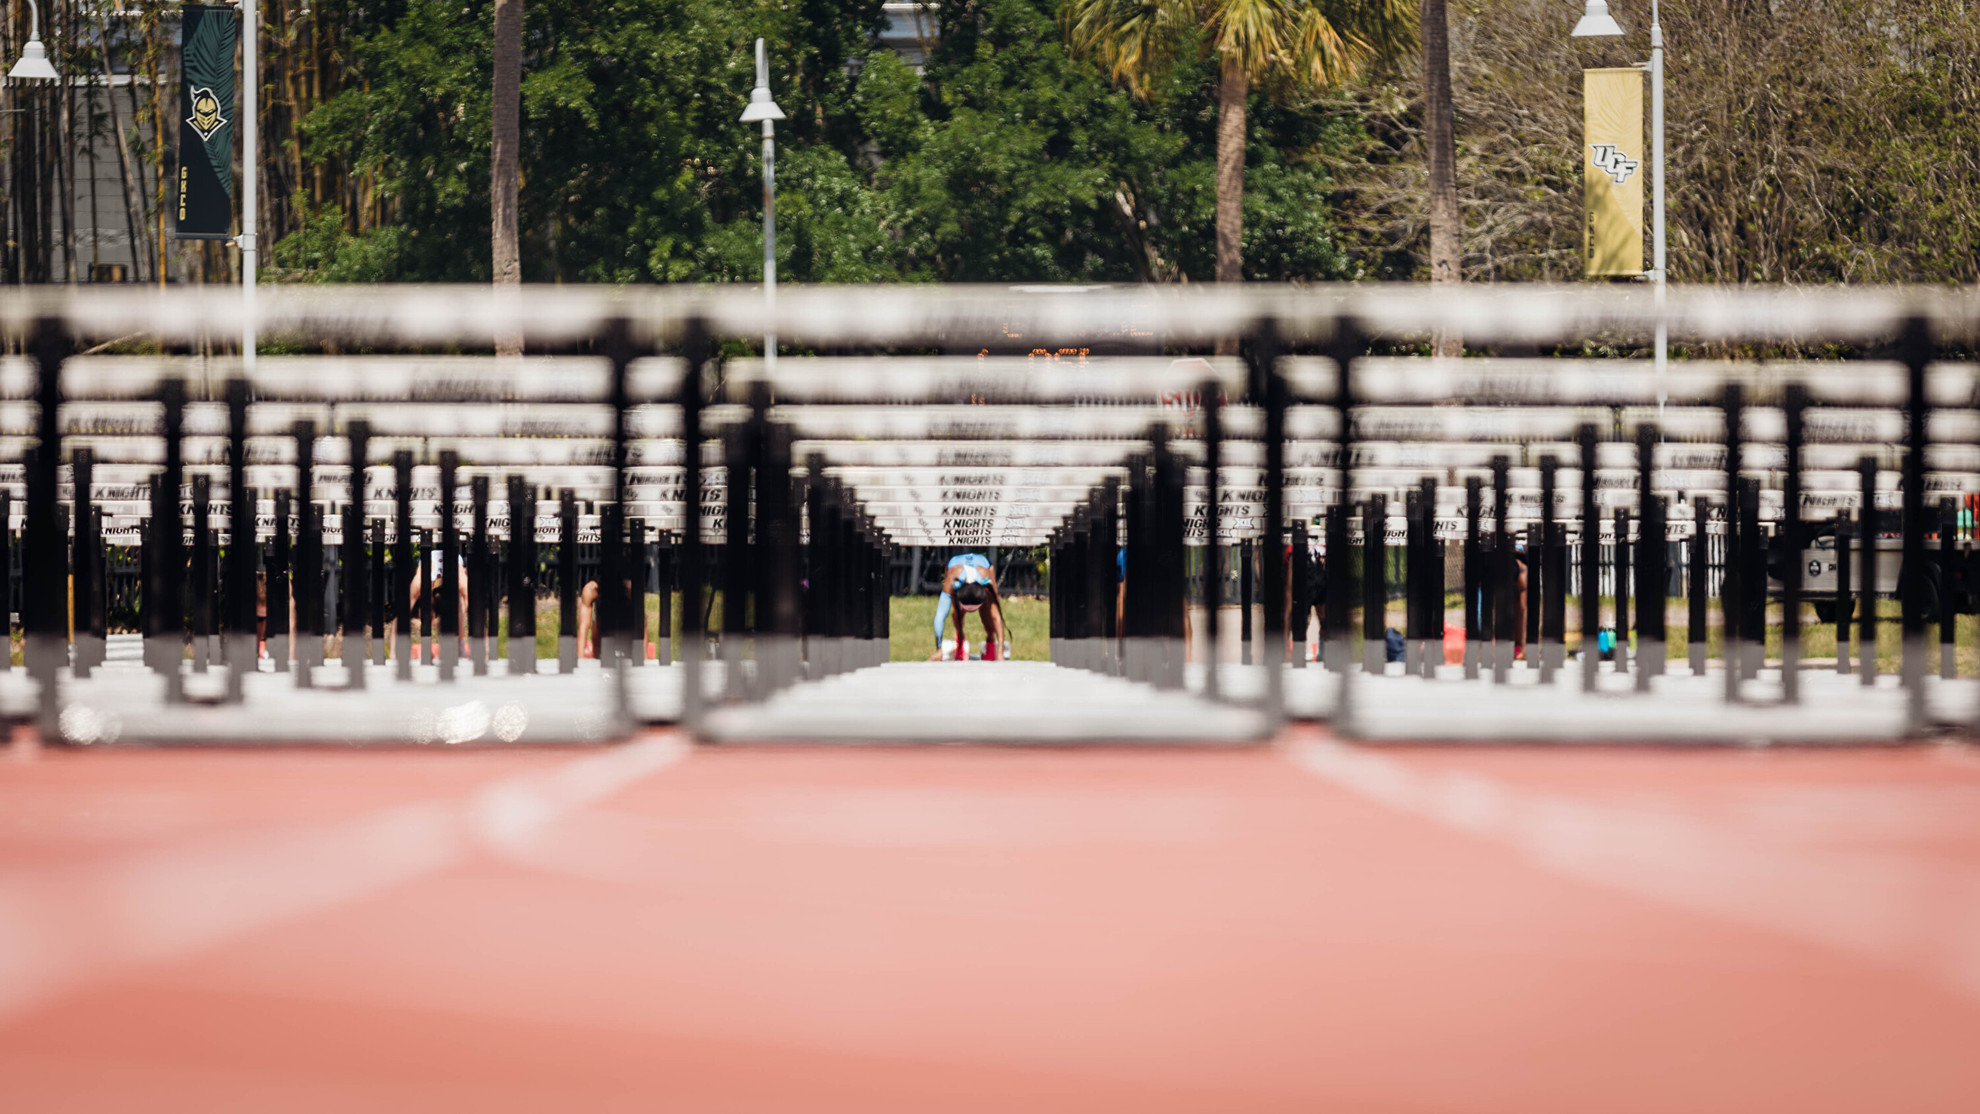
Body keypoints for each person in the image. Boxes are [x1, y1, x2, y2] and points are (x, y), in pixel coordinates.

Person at [932, 552, 1009, 660]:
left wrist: (1000, 652)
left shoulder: (986, 576)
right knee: (958, 613)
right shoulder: (952, 577)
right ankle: (960, 638)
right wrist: (938, 649)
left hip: (982, 566)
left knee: (987, 612)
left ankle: (990, 640)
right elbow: (940, 615)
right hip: (956, 566)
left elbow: (996, 616)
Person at [407, 549, 469, 656]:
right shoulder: (420, 581)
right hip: (432, 572)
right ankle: (427, 644)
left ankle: (459, 644)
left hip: (451, 569)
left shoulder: (460, 581)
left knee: (459, 613)